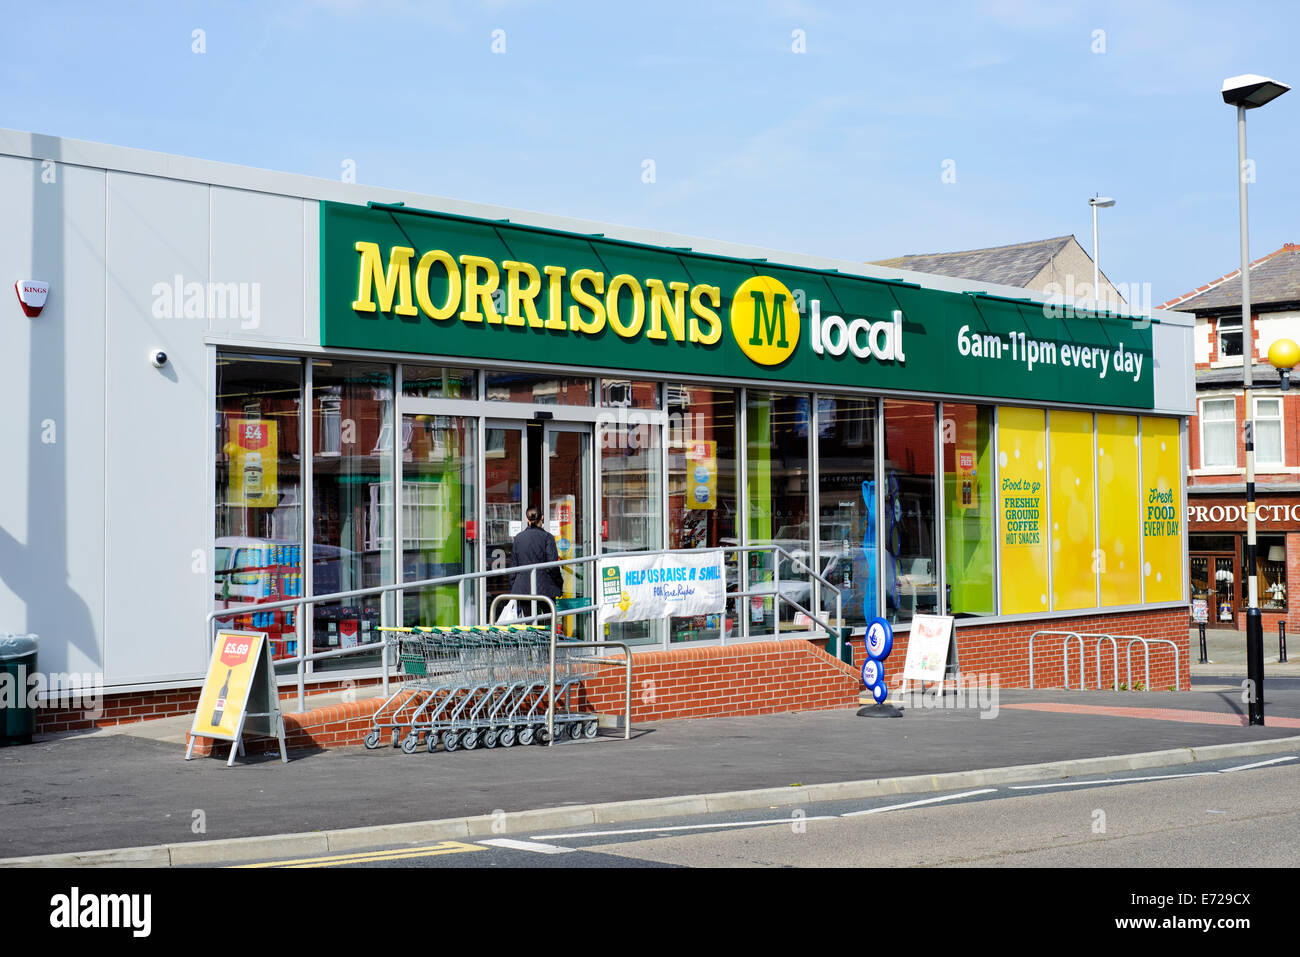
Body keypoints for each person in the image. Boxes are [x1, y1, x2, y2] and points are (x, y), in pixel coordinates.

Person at [510, 507, 564, 607]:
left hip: (523, 587)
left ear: (527, 519)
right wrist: (559, 583)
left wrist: (514, 585)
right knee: (549, 619)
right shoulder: (547, 537)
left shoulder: (518, 538)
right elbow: (553, 565)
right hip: (545, 586)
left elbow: (513, 565)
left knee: (528, 621)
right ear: (542, 518)